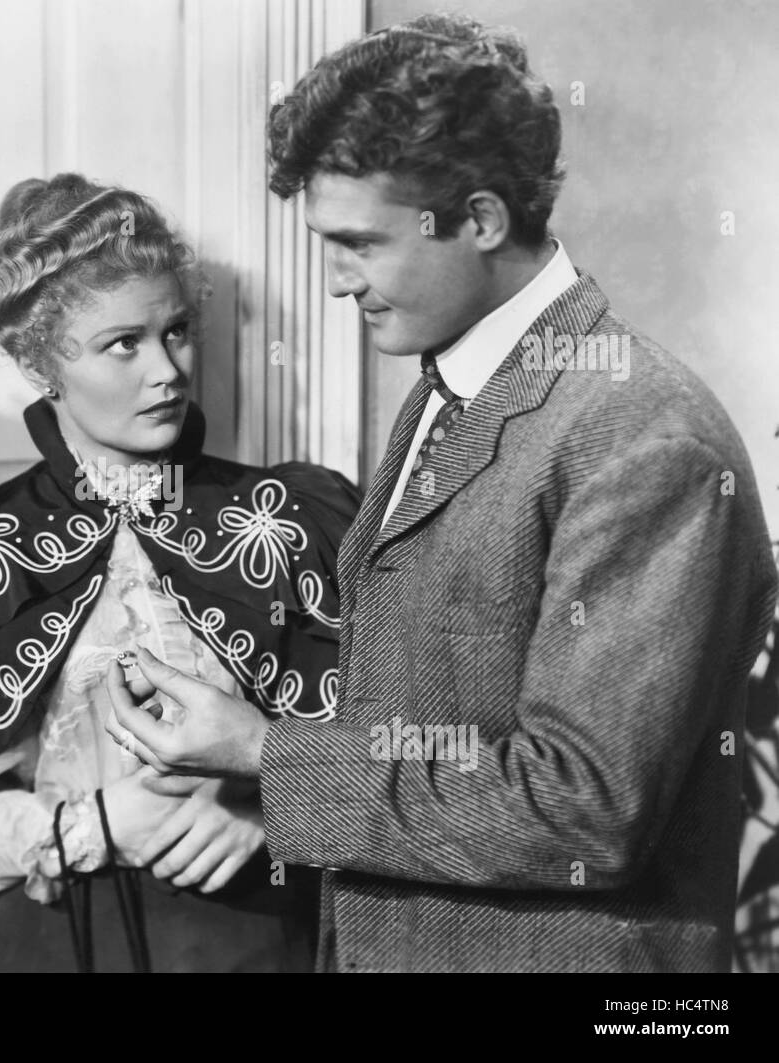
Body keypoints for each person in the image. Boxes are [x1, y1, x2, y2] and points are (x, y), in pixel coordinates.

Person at [106, 14, 779, 972]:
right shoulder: (449, 383)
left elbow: (583, 809)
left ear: (480, 219)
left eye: (359, 244)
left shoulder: (644, 437)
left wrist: (270, 756)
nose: (336, 280)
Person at [0, 174, 360, 972]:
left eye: (177, 331)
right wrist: (95, 823)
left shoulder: (296, 517)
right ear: (39, 361)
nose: (166, 370)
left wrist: (274, 805)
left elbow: (390, 750)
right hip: (64, 943)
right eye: (122, 343)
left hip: (267, 934)